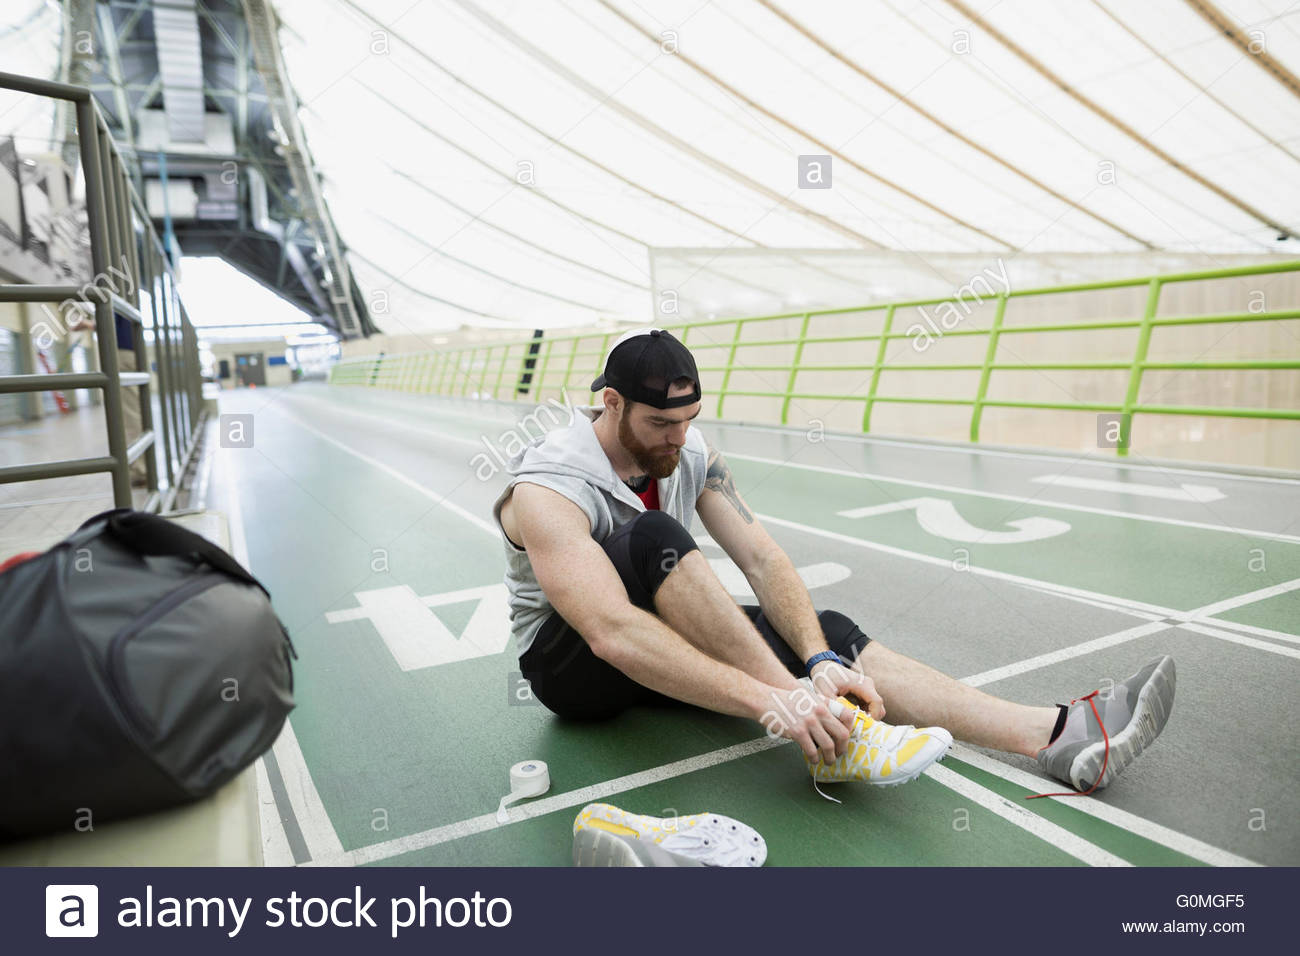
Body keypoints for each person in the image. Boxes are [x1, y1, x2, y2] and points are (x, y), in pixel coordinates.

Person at [491, 328, 1175, 793]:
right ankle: (829, 732)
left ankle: (1056, 736)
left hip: (654, 641)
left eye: (690, 421)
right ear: (610, 403)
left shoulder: (689, 451)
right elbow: (611, 631)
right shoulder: (551, 483)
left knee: (829, 633)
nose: (680, 440)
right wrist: (778, 699)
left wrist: (816, 663)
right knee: (653, 534)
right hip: (572, 667)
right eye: (662, 426)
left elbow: (760, 555)